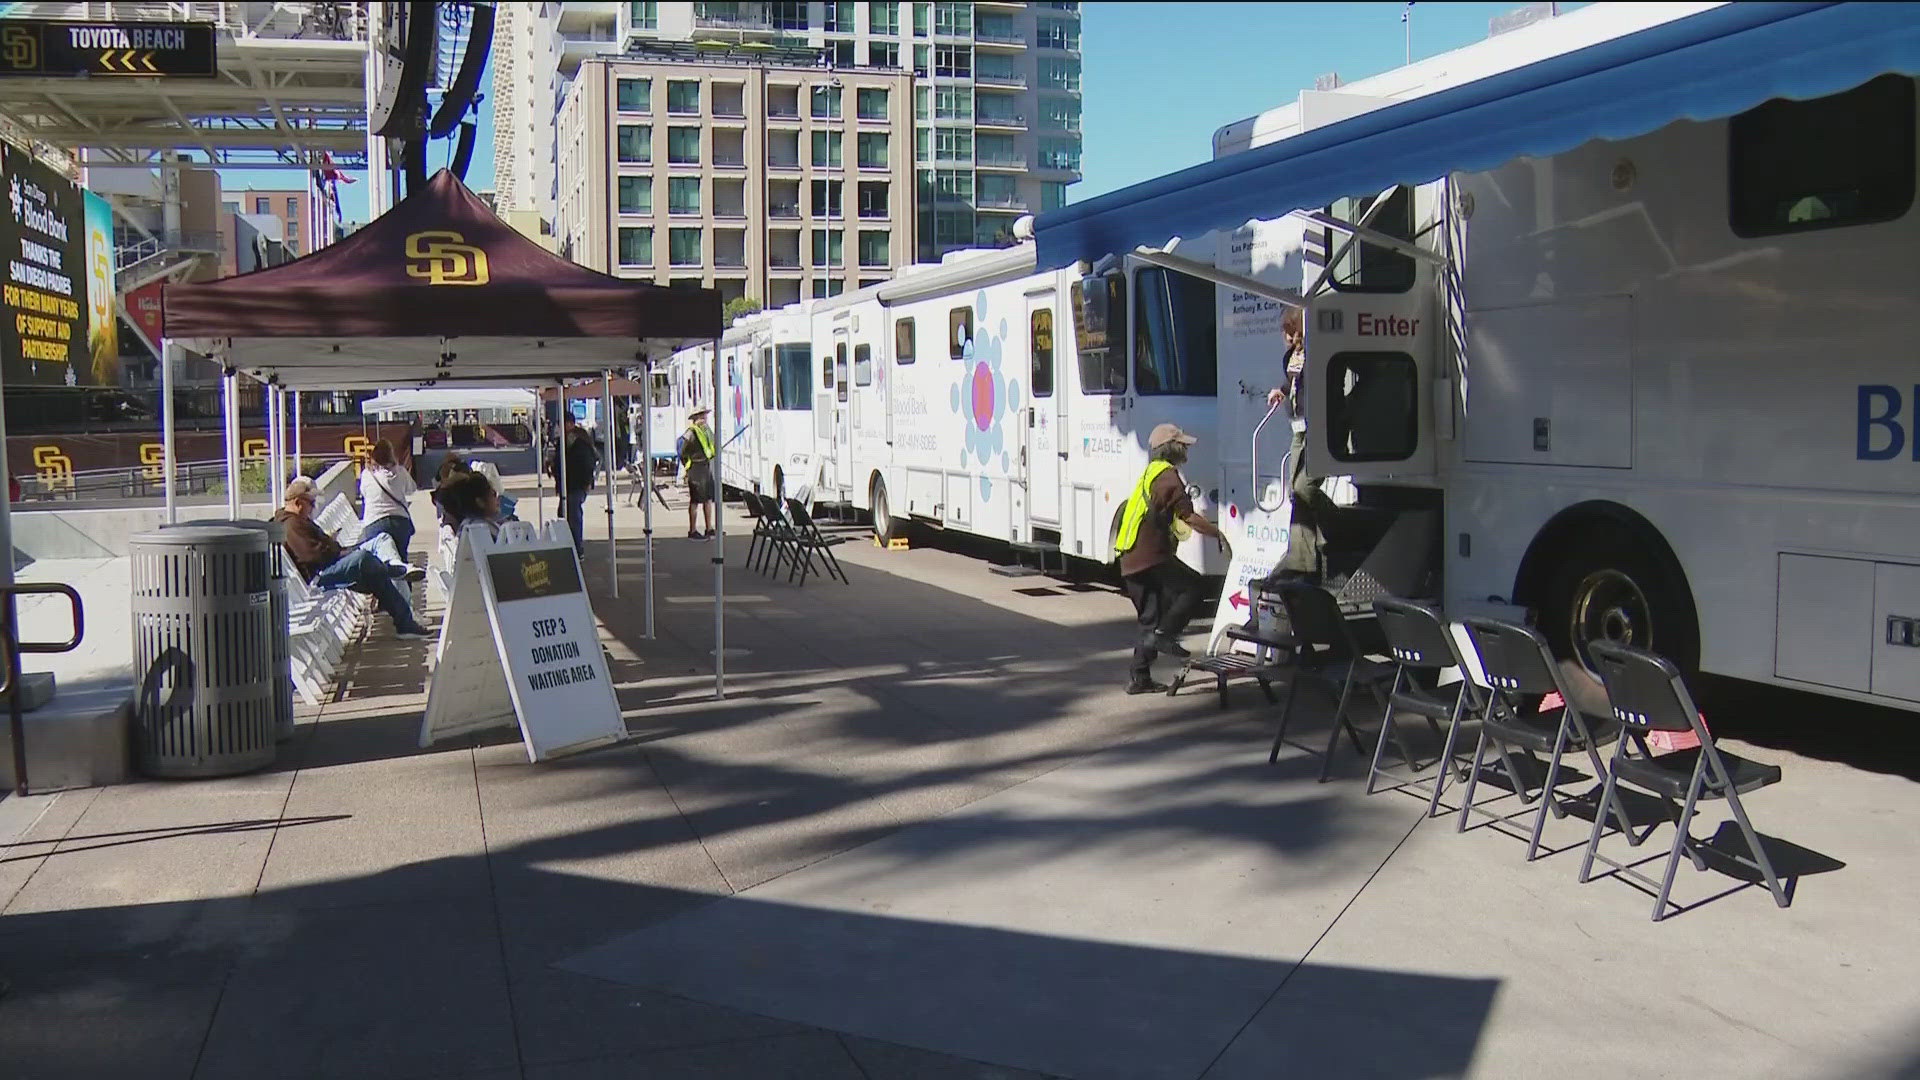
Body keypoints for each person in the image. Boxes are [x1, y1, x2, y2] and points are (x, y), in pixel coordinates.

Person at [1113, 423, 1231, 694]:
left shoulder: (1150, 473)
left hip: (1130, 557)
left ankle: (1139, 678)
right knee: (1193, 587)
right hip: (1148, 556)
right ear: (1173, 448)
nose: (1187, 448)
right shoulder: (1168, 478)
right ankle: (1166, 636)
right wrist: (1218, 533)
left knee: (1150, 618)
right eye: (1183, 445)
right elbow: (1188, 516)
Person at [274, 477, 430, 640]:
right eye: (311, 503)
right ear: (298, 503)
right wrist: (334, 546)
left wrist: (331, 543)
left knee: (381, 542)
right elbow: (313, 555)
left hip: (333, 560)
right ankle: (392, 574)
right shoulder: (292, 525)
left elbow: (316, 549)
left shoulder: (297, 521)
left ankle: (393, 569)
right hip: (321, 574)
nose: (313, 508)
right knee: (365, 560)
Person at [1265, 308, 1330, 583]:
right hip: (1298, 428)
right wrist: (1280, 389)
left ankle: (1325, 537)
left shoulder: (1316, 353)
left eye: (1292, 331)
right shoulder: (1291, 358)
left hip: (1317, 429)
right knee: (1296, 490)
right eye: (1286, 332)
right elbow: (1293, 383)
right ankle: (1304, 556)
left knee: (1304, 488)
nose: (1288, 337)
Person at [357, 439, 417, 564]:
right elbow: (412, 489)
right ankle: (404, 581)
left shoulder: (367, 474)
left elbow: (364, 493)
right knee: (402, 561)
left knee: (378, 564)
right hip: (400, 521)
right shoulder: (401, 472)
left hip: (374, 521)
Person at [547, 413, 599, 555]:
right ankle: (570, 546)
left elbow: (586, 463)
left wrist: (586, 482)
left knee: (573, 515)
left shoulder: (578, 441)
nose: (560, 428)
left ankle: (576, 548)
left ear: (570, 424)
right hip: (568, 484)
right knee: (564, 514)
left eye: (562, 424)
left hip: (576, 484)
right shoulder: (564, 441)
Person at [678, 408, 717, 540]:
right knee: (695, 500)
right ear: (696, 418)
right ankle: (692, 530)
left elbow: (712, 445)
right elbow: (683, 452)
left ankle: (709, 528)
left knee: (708, 498)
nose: (705, 418)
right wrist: (687, 466)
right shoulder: (691, 433)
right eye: (703, 416)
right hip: (695, 468)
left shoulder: (706, 431)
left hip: (705, 466)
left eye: (705, 416)